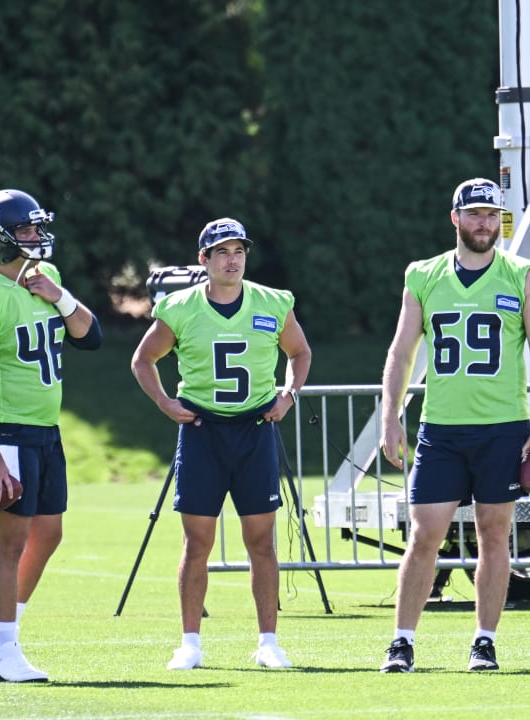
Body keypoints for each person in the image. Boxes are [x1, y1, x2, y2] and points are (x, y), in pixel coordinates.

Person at [378, 177, 530, 673]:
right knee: (424, 535)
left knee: (494, 532)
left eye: (492, 214)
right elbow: (401, 351)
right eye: (475, 213)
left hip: (502, 427)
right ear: (455, 218)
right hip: (441, 427)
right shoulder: (423, 274)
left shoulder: (523, 274)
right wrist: (390, 417)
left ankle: (484, 640)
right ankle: (401, 641)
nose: (484, 223)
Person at [130, 217, 312, 671]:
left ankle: (268, 641)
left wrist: (288, 394)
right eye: (222, 252)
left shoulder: (272, 301)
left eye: (239, 252)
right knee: (197, 542)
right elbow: (143, 359)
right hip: (202, 432)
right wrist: (164, 403)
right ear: (204, 259)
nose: (232, 260)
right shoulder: (180, 307)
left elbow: (300, 352)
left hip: (253, 430)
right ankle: (190, 642)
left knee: (261, 542)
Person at [0, 188, 103, 683]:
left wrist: (60, 297)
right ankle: (4, 649)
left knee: (49, 533)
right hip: (5, 432)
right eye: (27, 229)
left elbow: (91, 337)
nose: (37, 237)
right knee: (10, 541)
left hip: (45, 428)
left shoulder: (47, 279)